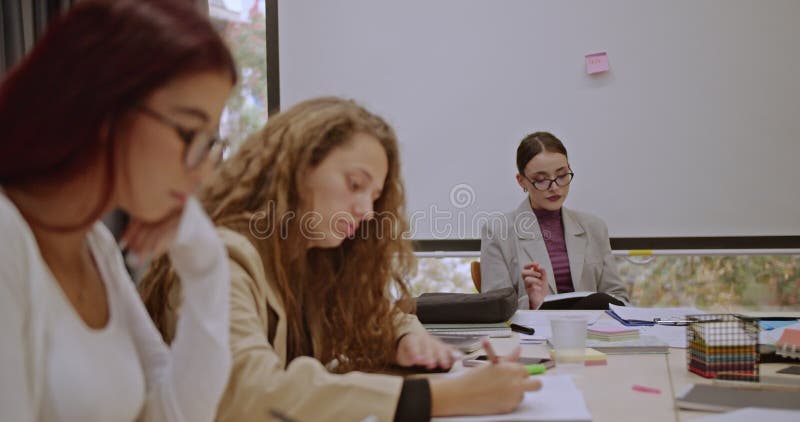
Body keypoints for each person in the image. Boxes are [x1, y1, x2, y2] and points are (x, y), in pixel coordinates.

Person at [139, 97, 541, 422]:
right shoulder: (222, 255)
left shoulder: (312, 257)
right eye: (354, 185)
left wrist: (405, 336)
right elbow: (245, 394)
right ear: (295, 167)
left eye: (374, 196)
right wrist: (443, 396)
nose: (367, 210)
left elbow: (375, 313)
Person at [0, 1, 236, 420]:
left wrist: (205, 262)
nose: (203, 170)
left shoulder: (93, 244)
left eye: (211, 141)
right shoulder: (7, 235)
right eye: (190, 133)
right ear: (108, 105)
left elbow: (171, 413)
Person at [480, 132, 630, 310]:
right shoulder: (498, 231)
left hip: (591, 333)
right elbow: (495, 306)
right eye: (541, 180)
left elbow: (619, 297)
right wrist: (532, 303)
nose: (555, 187)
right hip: (532, 333)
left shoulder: (594, 227)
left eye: (561, 175)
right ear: (521, 181)